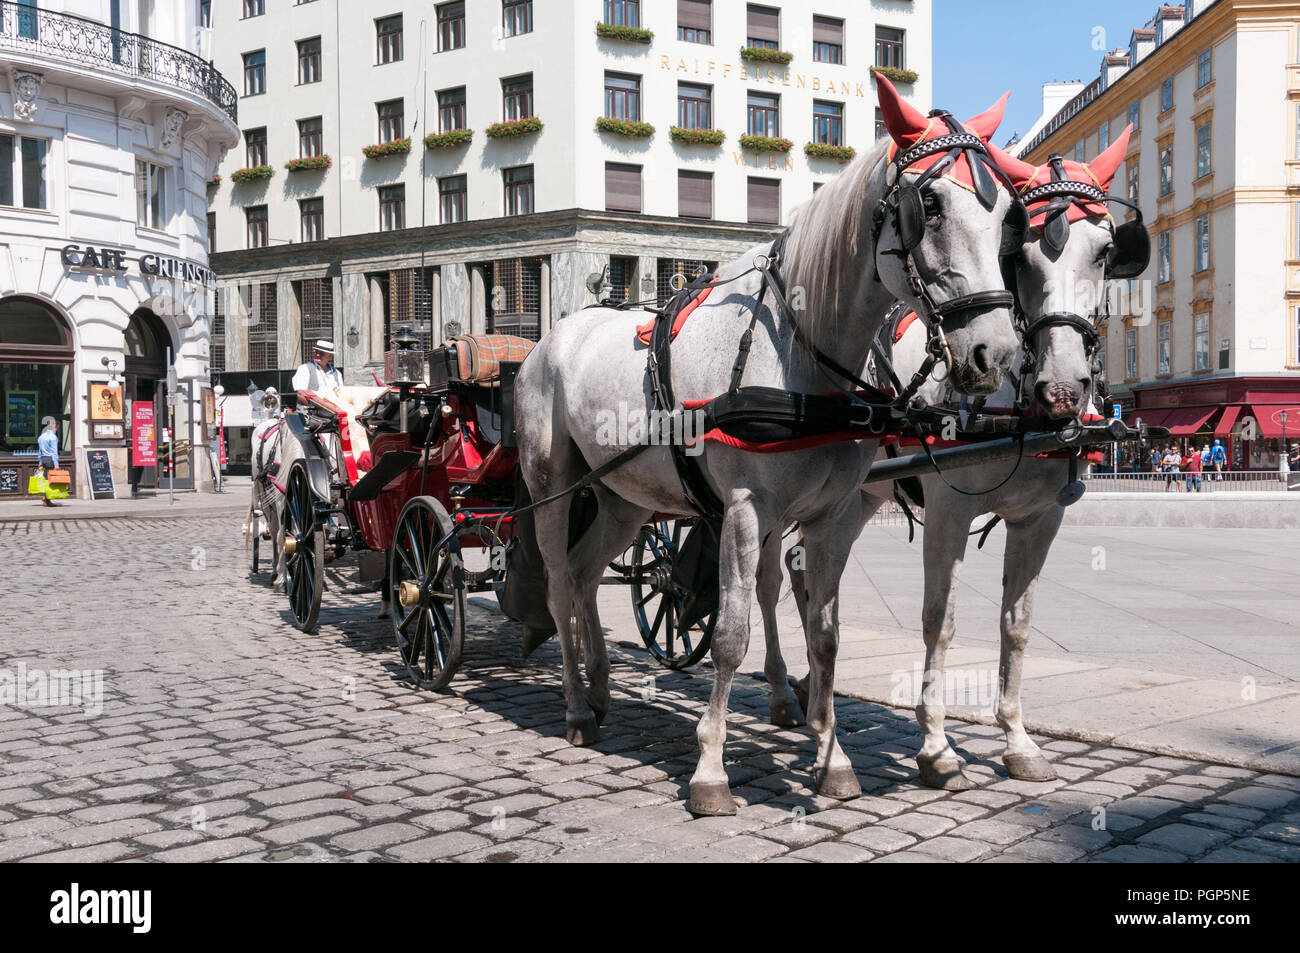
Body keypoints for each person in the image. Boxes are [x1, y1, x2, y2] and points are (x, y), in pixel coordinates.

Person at [37, 416, 61, 508]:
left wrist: (39, 462)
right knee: (50, 481)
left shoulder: (41, 437)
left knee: (45, 480)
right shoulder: (53, 437)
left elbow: (39, 451)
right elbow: (54, 452)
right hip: (50, 460)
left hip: (43, 459)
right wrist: (56, 464)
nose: (57, 429)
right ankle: (47, 500)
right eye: (57, 428)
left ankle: (45, 498)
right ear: (54, 427)